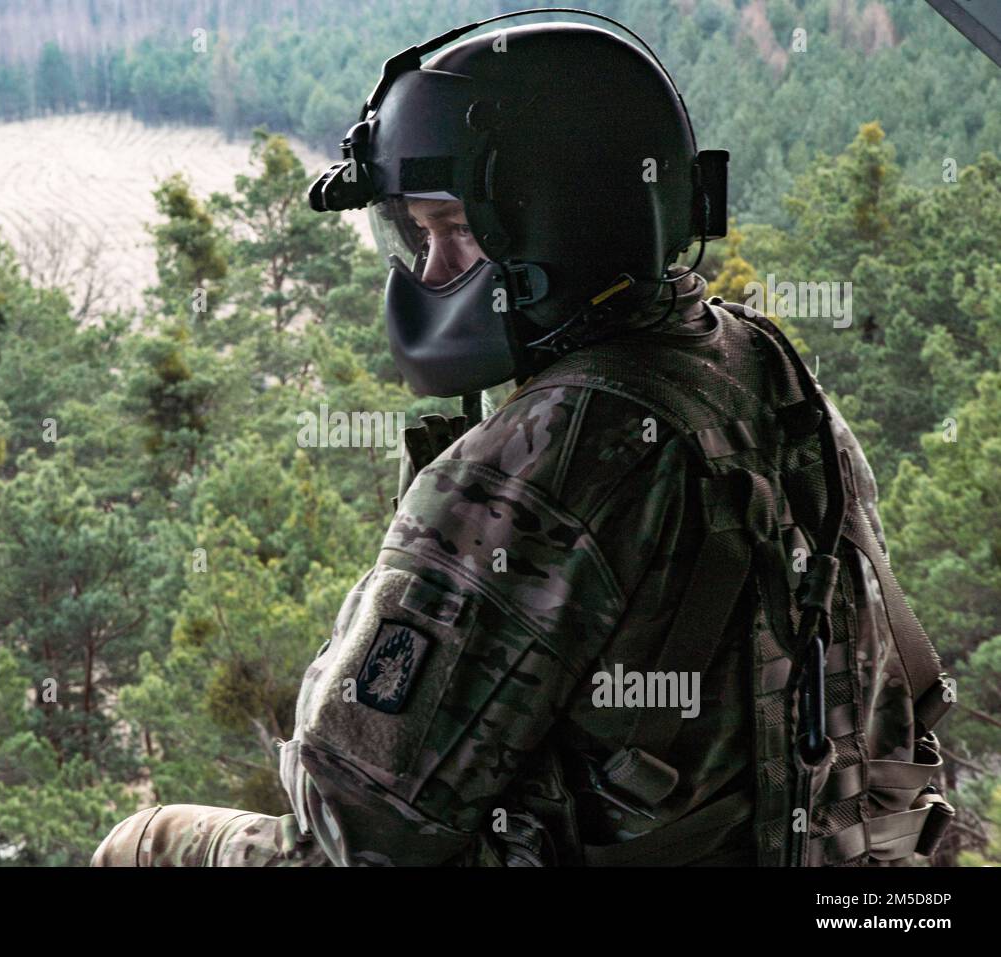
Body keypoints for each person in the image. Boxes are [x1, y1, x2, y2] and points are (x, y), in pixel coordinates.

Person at [93, 12, 954, 868]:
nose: (429, 273)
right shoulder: (761, 362)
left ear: (561, 226)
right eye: (417, 234)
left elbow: (358, 816)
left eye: (458, 233)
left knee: (145, 842)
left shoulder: (557, 444)